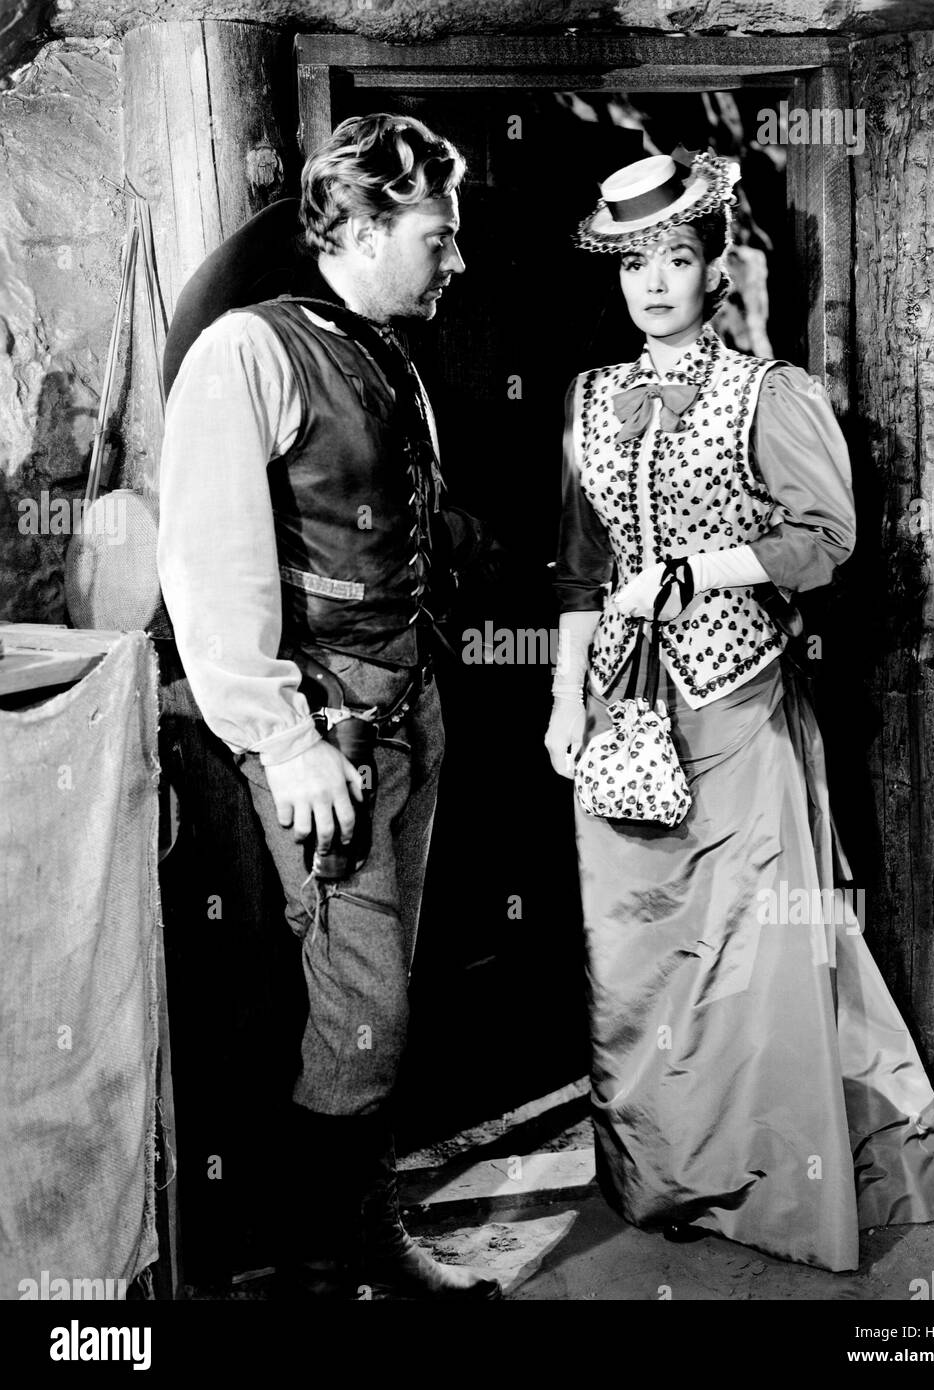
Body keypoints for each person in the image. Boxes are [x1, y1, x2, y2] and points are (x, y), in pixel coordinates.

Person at [544, 150, 934, 1272]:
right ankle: (667, 1176)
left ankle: (775, 1192)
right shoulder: (591, 398)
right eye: (634, 263)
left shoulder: (766, 391)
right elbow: (579, 569)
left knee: (754, 956)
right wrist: (561, 699)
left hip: (736, 705)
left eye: (675, 259)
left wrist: (696, 572)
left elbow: (824, 540)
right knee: (638, 959)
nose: (653, 283)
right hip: (622, 720)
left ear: (711, 268)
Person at [157, 113, 500, 1300]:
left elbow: (398, 524)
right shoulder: (248, 353)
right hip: (324, 730)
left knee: (381, 982)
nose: (455, 262)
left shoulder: (387, 352)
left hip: (406, 708)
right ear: (358, 226)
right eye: (438, 236)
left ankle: (334, 1240)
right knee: (369, 1005)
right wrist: (285, 740)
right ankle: (327, 1253)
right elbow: (210, 569)